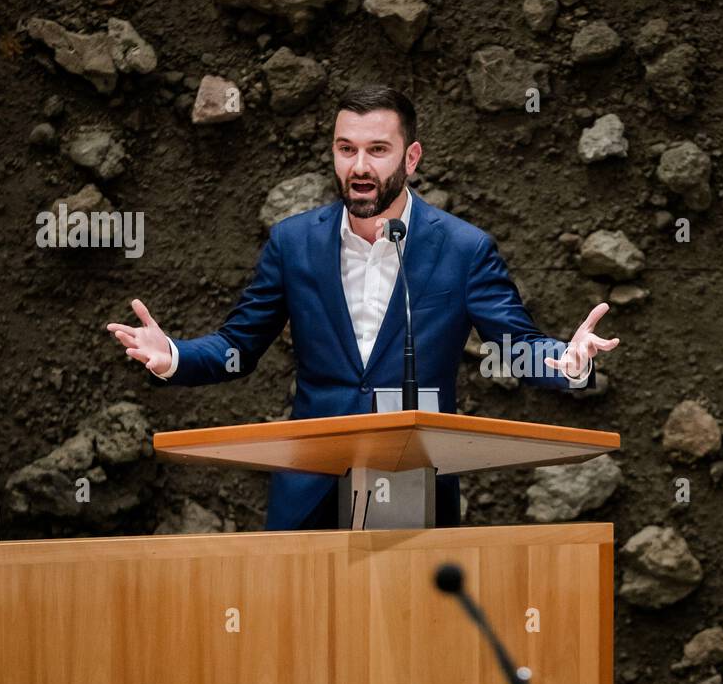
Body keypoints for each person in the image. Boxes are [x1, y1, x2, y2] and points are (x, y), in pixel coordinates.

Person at [105, 84, 620, 529]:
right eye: (346, 149)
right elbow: (239, 346)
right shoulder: (294, 243)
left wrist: (566, 362)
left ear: (411, 158)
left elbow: (514, 348)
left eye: (377, 150)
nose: (359, 167)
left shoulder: (463, 249)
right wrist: (172, 355)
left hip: (414, 477)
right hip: (311, 484)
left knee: (403, 632)